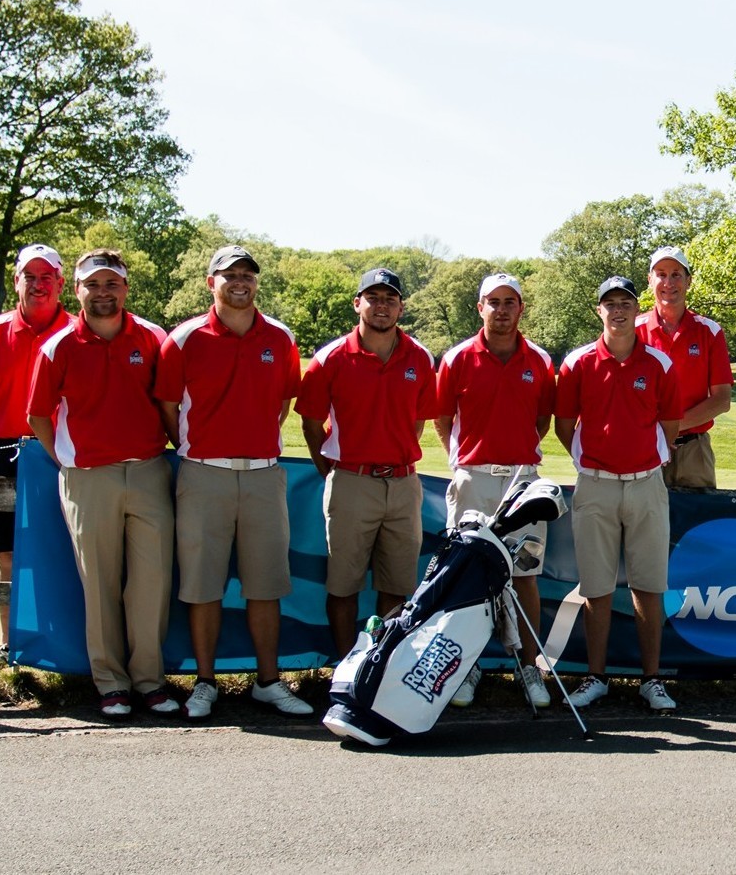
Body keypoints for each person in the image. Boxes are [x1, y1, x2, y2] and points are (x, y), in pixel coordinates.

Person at [154, 244, 311, 720]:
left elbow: (281, 403)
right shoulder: (183, 339)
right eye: (229, 274)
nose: (239, 281)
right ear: (211, 283)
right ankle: (205, 682)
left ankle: (267, 681)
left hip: (263, 474)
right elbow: (167, 408)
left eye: (248, 274)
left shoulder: (280, 338)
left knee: (266, 584)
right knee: (202, 585)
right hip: (204, 474)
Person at [25, 249, 177, 717]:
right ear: (78, 290)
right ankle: (111, 683)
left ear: (125, 289)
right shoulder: (58, 346)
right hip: (88, 478)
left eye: (112, 284)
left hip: (149, 470)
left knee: (151, 582)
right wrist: (68, 460)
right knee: (100, 583)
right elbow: (38, 416)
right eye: (93, 284)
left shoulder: (153, 338)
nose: (103, 292)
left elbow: (172, 403)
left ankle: (150, 681)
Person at [296, 268, 437, 662]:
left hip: (403, 482)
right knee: (343, 586)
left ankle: (381, 666)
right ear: (357, 303)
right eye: (373, 297)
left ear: (401, 308)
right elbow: (309, 422)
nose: (382, 306)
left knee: (396, 586)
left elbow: (418, 420)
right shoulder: (331, 358)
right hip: (351, 481)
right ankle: (346, 667)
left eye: (390, 299)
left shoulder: (419, 357)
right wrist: (333, 472)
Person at [555, 275, 681, 712]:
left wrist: (642, 461)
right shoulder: (577, 363)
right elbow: (564, 426)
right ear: (600, 311)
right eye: (610, 304)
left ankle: (651, 680)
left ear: (636, 308)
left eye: (626, 302)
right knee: (597, 587)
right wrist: (593, 464)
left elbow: (670, 425)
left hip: (646, 484)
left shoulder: (659, 364)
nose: (619, 310)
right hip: (595, 486)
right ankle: (596, 676)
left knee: (649, 586)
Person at [434, 272, 556, 709]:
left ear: (521, 308)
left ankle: (529, 668)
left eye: (510, 302)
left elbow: (541, 421)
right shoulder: (457, 358)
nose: (501, 309)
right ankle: (467, 667)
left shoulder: (539, 360)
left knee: (524, 577)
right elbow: (443, 419)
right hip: (474, 478)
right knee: (468, 576)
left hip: (522, 481)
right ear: (479, 307)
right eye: (493, 302)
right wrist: (466, 461)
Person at [0, 243, 71, 668]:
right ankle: (11, 648)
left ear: (61, 284)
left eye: (46, 278)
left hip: (58, 454)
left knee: (64, 552)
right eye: (29, 277)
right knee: (8, 556)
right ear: (17, 280)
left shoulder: (77, 333)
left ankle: (63, 647)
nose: (38, 285)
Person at [635, 246, 733, 489]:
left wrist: (670, 429)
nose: (669, 282)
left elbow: (721, 400)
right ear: (650, 280)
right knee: (644, 524)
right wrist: (657, 436)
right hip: (644, 447)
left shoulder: (709, 331)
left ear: (688, 281)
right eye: (661, 274)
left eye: (677, 274)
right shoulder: (633, 331)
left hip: (694, 449)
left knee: (700, 524)